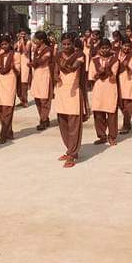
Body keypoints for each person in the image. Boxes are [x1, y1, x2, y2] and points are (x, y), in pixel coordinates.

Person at [53, 32, 87, 168]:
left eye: (69, 44)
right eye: (64, 44)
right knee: (63, 121)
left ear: (74, 44)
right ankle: (69, 149)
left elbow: (74, 67)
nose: (66, 46)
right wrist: (56, 75)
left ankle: (73, 154)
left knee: (74, 123)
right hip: (61, 90)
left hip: (74, 91)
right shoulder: (59, 55)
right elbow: (56, 70)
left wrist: (66, 65)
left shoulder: (80, 55)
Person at [90, 38, 119, 146]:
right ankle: (102, 136)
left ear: (110, 48)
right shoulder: (94, 60)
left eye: (107, 48)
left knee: (111, 113)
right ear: (99, 49)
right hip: (98, 89)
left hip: (110, 88)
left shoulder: (115, 60)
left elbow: (113, 77)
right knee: (98, 113)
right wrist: (99, 72)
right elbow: (92, 77)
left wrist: (107, 68)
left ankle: (112, 136)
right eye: (102, 48)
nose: (105, 50)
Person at [0, 34, 18, 144]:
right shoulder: (0, 56)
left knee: (8, 108)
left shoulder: (16, 55)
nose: (4, 46)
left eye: (6, 44)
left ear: (10, 44)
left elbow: (18, 71)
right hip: (0, 82)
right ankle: (9, 131)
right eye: (2, 44)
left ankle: (3, 134)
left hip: (10, 81)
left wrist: (12, 66)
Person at [29, 31, 54, 131]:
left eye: (36, 39)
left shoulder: (48, 49)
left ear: (41, 40)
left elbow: (42, 61)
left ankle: (43, 120)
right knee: (37, 98)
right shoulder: (36, 49)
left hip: (45, 74)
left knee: (44, 99)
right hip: (37, 75)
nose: (34, 41)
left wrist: (33, 62)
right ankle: (44, 117)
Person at [116, 38, 132, 134]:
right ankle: (126, 123)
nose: (126, 48)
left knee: (127, 104)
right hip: (117, 82)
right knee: (120, 104)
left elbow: (130, 67)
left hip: (128, 81)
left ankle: (126, 125)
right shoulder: (116, 54)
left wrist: (127, 66)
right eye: (125, 46)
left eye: (128, 46)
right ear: (121, 45)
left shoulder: (131, 55)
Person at [15, 29, 31, 108]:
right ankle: (21, 99)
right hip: (18, 63)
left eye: (24, 34)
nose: (23, 36)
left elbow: (25, 51)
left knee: (24, 83)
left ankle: (25, 101)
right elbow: (14, 49)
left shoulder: (28, 42)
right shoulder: (18, 42)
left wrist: (22, 42)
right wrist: (18, 42)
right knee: (18, 83)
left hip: (25, 64)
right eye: (21, 34)